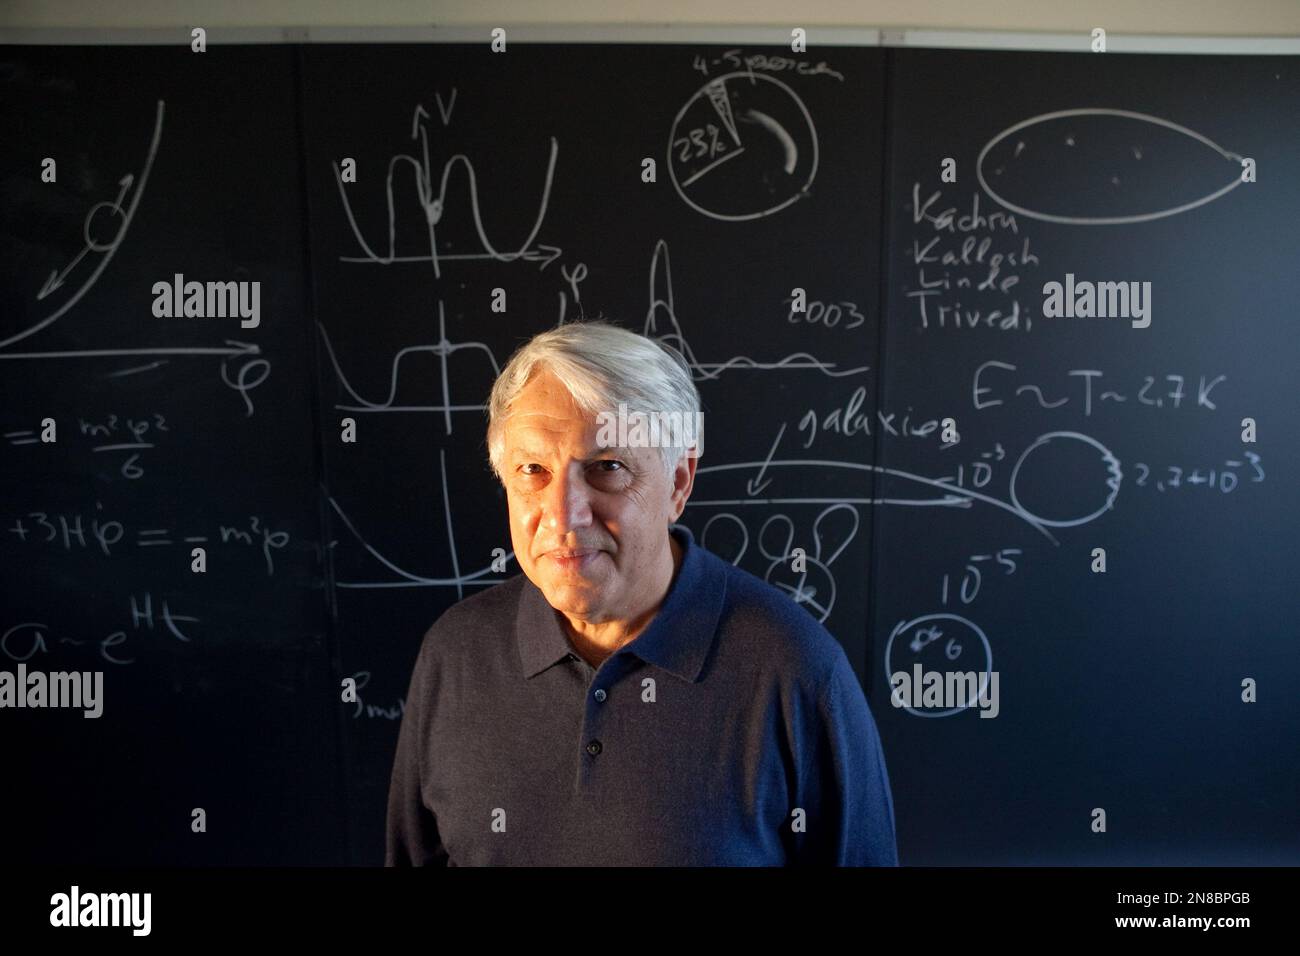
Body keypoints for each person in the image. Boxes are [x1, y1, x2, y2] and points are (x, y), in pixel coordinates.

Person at [385, 320, 898, 866]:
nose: (563, 515)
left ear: (678, 482)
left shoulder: (795, 670)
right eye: (533, 470)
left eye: (607, 468)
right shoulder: (455, 653)